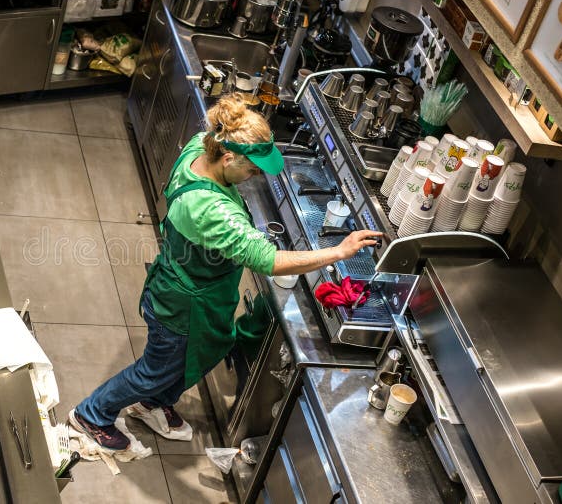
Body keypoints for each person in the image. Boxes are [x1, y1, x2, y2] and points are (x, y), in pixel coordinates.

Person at [69, 95, 381, 451]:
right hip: (182, 304)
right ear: (229, 158)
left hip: (192, 285)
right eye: (253, 168)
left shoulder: (198, 150)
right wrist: (339, 252)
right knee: (153, 370)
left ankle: (152, 404)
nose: (256, 174)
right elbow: (269, 261)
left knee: (195, 355)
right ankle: (90, 414)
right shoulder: (211, 210)